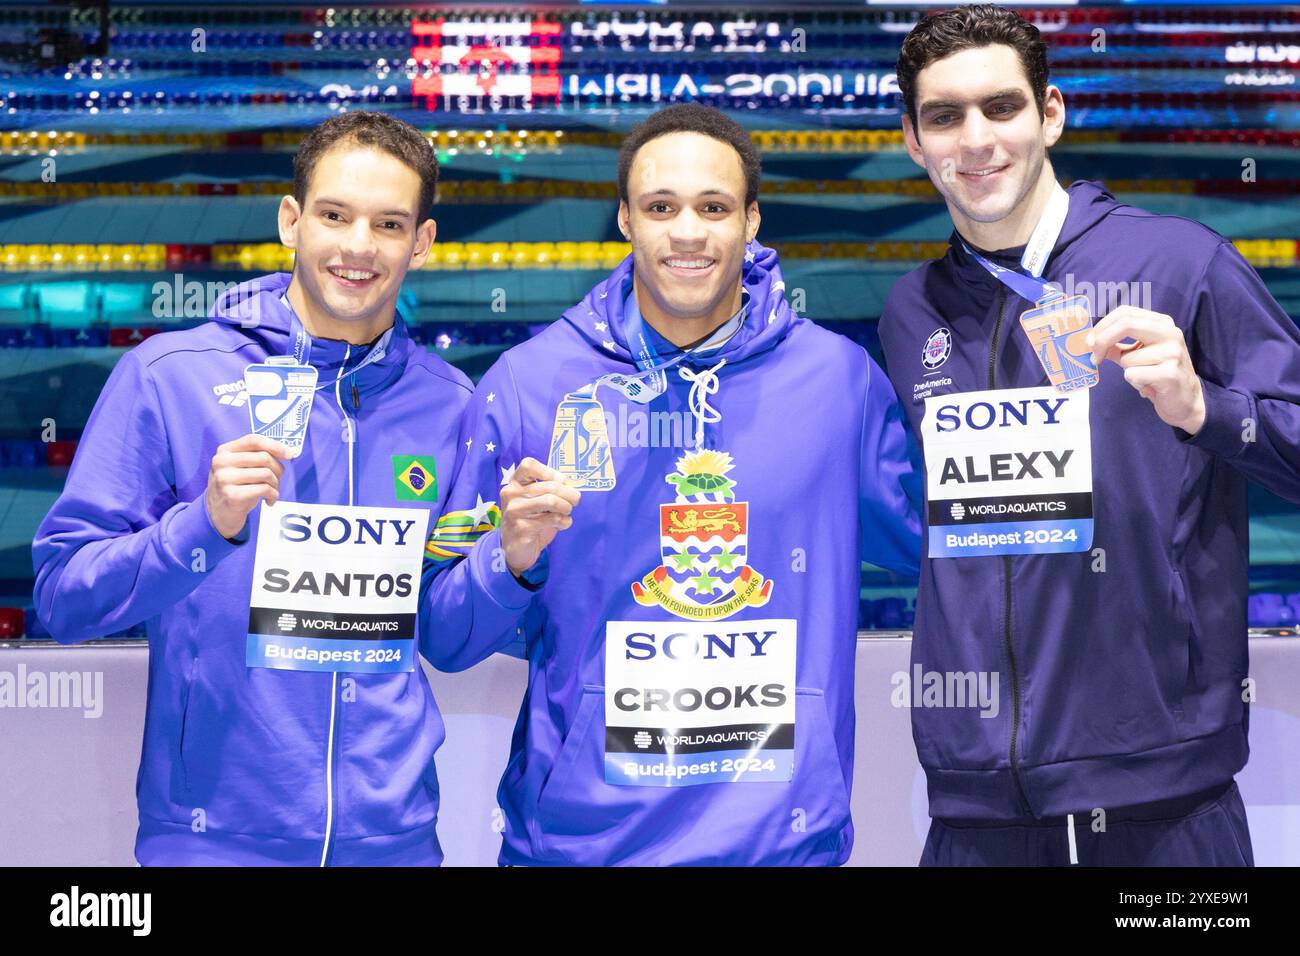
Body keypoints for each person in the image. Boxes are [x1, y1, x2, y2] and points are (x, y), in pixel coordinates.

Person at [423, 103, 921, 866]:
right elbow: (446, 634)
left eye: (714, 207)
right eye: (661, 207)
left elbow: (949, 554)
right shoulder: (533, 383)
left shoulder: (837, 383)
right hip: (580, 848)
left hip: (780, 846)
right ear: (625, 219)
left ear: (752, 220)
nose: (687, 232)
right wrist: (509, 557)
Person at [880, 3, 1300, 866]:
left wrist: (1206, 411)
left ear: (1051, 113)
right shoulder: (910, 311)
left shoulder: (1182, 265)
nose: (976, 138)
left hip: (1164, 799)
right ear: (915, 142)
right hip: (975, 807)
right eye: (944, 116)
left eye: (1002, 107)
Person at [31, 111, 507, 866]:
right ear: (292, 220)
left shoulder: (448, 404)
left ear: (421, 242)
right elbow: (62, 598)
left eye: (388, 224)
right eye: (334, 216)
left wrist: (513, 565)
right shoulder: (170, 378)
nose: (358, 246)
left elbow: (448, 637)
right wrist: (204, 526)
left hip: (394, 843)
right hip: (213, 842)